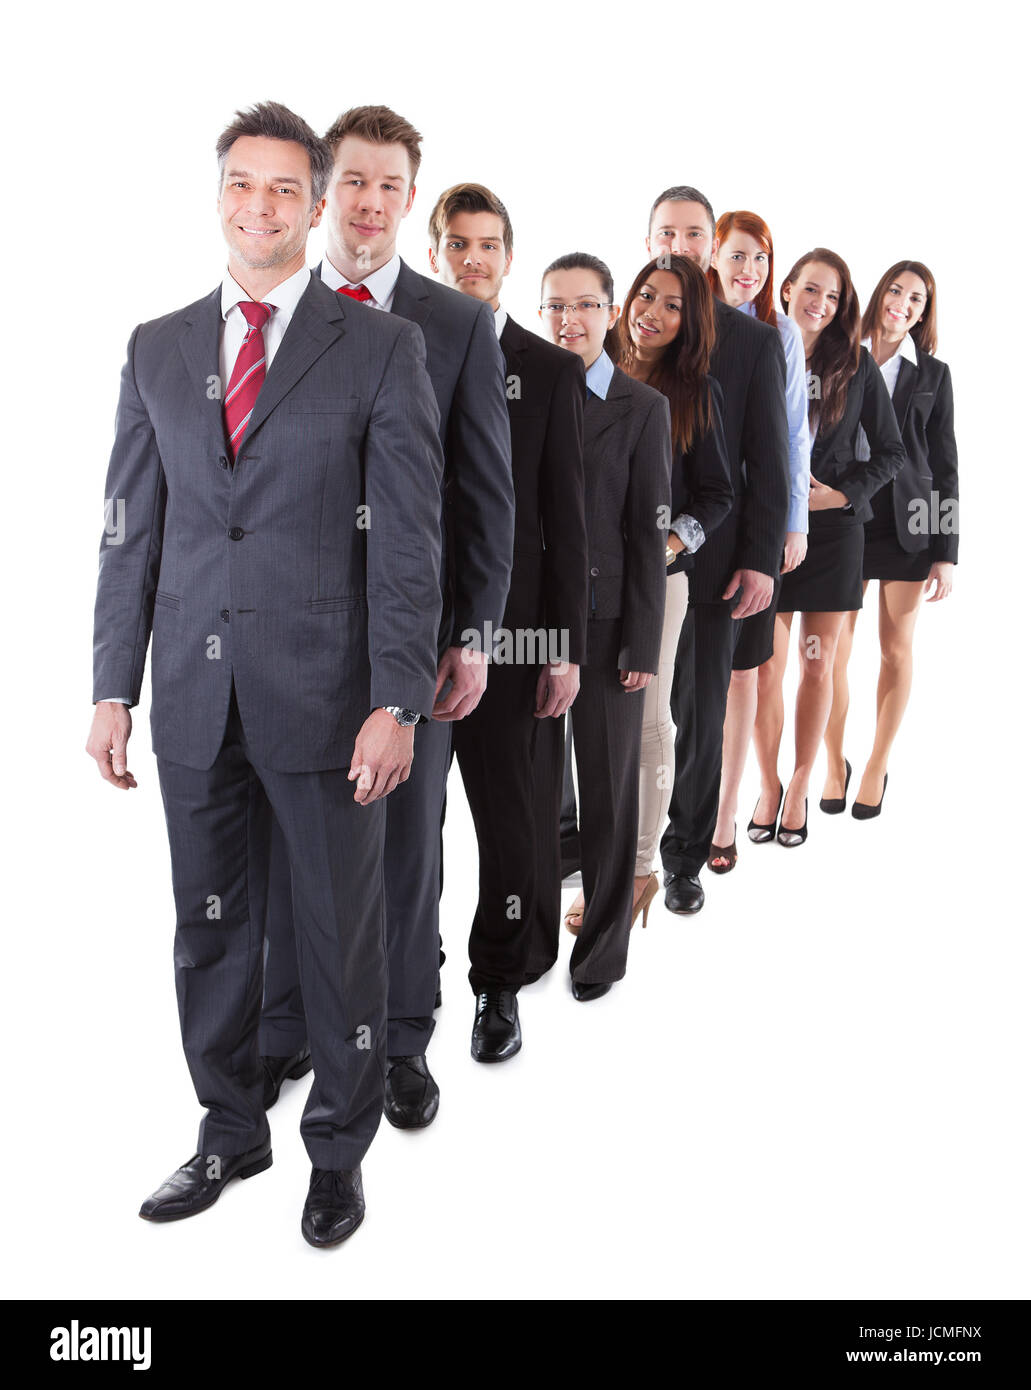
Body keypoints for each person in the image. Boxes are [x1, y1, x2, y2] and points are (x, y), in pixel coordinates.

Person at [86, 103, 445, 1247]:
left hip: (329, 702)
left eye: (286, 189)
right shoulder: (158, 346)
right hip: (194, 702)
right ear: (219, 193)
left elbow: (407, 540)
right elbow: (129, 528)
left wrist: (397, 699)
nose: (261, 206)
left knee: (337, 939)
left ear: (319, 200)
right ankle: (230, 1125)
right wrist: (111, 685)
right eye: (243, 184)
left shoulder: (380, 347)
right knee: (209, 929)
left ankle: (335, 1151)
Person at [258, 108, 514, 1129]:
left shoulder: (453, 326)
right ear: (325, 191)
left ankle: (402, 1036)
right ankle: (288, 1024)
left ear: (411, 198)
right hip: (289, 639)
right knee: (288, 845)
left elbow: (485, 499)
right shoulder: (277, 310)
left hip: (416, 642)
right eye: (351, 182)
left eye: (387, 186)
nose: (367, 203)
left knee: (406, 848)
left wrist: (475, 636)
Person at [426, 182, 589, 1059]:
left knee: (516, 821)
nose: (473, 259)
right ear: (434, 253)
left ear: (508, 258)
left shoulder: (551, 370)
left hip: (520, 636)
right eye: (457, 244)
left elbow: (567, 522)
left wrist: (562, 646)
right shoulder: (393, 347)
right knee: (408, 832)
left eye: (488, 245)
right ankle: (410, 982)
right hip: (408, 630)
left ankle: (502, 981)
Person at [561, 254, 732, 929]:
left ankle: (638, 872)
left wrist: (664, 545)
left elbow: (719, 494)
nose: (650, 313)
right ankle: (588, 855)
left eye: (670, 306)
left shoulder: (695, 392)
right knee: (583, 717)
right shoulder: (586, 370)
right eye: (645, 296)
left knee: (647, 718)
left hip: (659, 583)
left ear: (689, 323)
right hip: (580, 580)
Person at [525, 253, 671, 1000]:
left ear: (612, 313)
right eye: (554, 305)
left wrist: (642, 641)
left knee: (609, 792)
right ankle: (530, 937)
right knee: (538, 790)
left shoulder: (642, 408)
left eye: (585, 305)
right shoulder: (518, 392)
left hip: (611, 623)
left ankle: (604, 951)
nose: (568, 320)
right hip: (528, 628)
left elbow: (647, 532)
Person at [645, 188, 790, 912]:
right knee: (632, 711)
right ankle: (620, 849)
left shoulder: (753, 342)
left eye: (692, 233)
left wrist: (762, 558)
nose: (679, 242)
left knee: (699, 714)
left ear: (710, 243)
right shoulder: (624, 324)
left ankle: (684, 856)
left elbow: (770, 459)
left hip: (716, 557)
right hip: (630, 565)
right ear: (647, 238)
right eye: (665, 230)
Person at [755, 249, 906, 846]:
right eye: (810, 289)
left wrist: (840, 495)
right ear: (787, 288)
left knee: (817, 664)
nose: (819, 303)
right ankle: (765, 785)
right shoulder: (761, 346)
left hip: (836, 536)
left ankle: (799, 782)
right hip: (768, 532)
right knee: (764, 669)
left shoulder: (858, 364)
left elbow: (891, 453)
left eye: (834, 296)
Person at [822, 261, 958, 819]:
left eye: (917, 299)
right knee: (829, 652)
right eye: (896, 291)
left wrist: (946, 553)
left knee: (895, 649)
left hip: (911, 524)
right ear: (878, 296)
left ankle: (876, 762)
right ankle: (833, 761)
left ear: (924, 313)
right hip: (844, 513)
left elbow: (946, 466)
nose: (902, 303)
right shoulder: (837, 357)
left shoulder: (933, 374)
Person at [707, 211, 810, 870]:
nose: (747, 272)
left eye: (759, 261)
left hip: (755, 517)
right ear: (712, 253)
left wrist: (791, 523)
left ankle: (722, 821)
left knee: (745, 669)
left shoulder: (779, 334)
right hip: (686, 520)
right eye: (737, 256)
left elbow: (794, 434)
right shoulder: (678, 315)